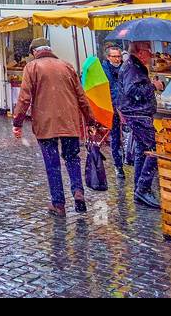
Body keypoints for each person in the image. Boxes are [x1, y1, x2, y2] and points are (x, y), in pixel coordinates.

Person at [12, 39, 94, 216]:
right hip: (69, 121)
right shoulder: (67, 66)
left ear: (34, 52)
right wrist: (90, 119)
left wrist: (17, 122)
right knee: (72, 158)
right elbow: (81, 96)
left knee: (52, 163)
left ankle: (58, 204)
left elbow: (24, 98)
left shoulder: (32, 67)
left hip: (45, 123)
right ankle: (78, 192)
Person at [117, 43, 160, 209]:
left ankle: (139, 189)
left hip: (138, 114)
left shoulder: (134, 66)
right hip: (138, 114)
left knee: (143, 151)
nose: (151, 55)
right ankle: (143, 187)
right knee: (155, 148)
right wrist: (152, 86)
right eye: (149, 52)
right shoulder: (132, 68)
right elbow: (131, 90)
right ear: (141, 53)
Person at [101, 43, 126, 181]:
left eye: (119, 56)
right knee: (115, 137)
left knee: (128, 137)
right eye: (115, 57)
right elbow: (110, 90)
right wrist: (115, 105)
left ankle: (127, 159)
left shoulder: (124, 68)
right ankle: (118, 165)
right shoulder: (104, 70)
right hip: (112, 108)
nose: (117, 59)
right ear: (108, 57)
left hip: (125, 107)